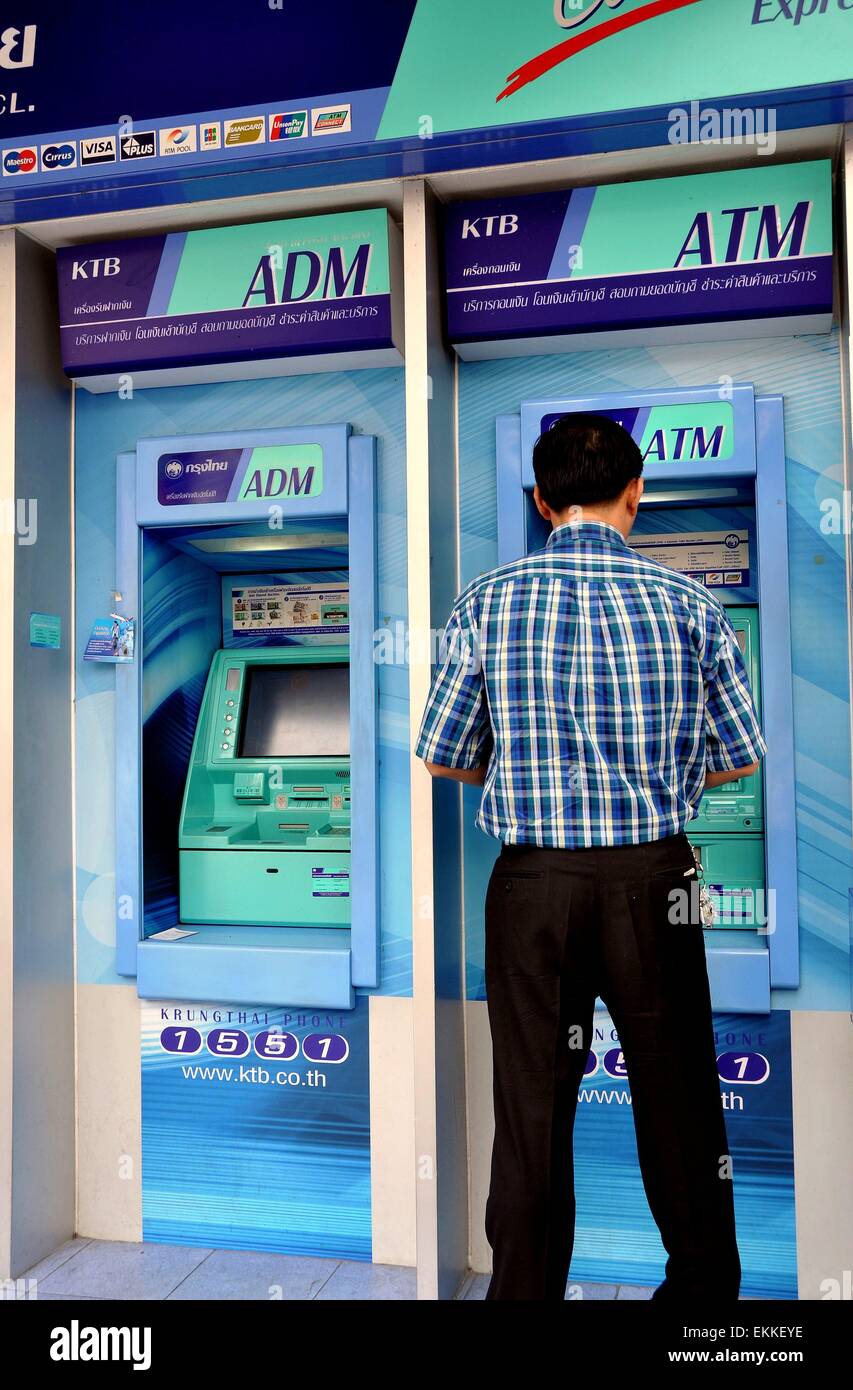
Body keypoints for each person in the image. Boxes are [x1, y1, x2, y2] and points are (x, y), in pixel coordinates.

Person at [415, 413, 766, 1302]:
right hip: (656, 880)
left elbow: (442, 752)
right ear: (635, 493)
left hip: (532, 886)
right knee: (680, 1099)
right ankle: (701, 1310)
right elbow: (739, 753)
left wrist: (526, 772)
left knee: (531, 1110)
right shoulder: (691, 603)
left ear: (541, 500)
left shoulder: (485, 601)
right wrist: (661, 774)